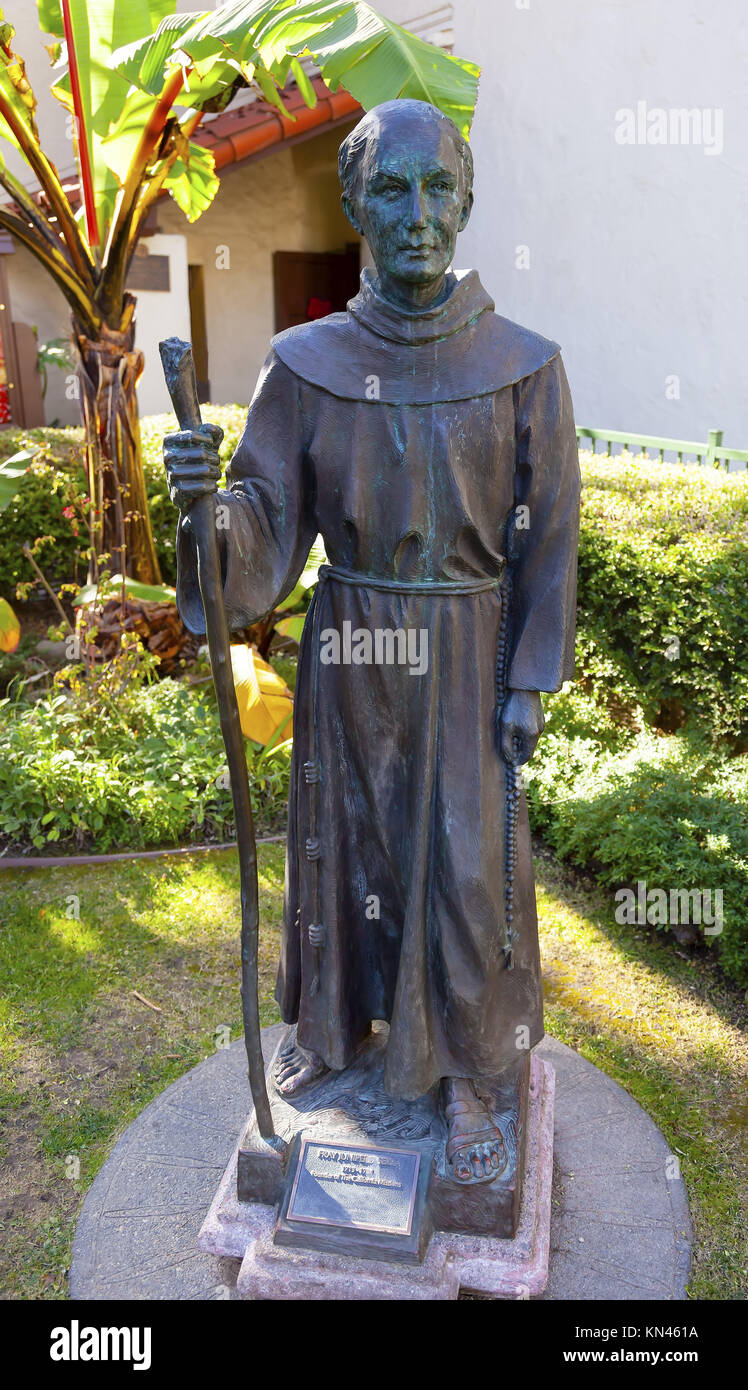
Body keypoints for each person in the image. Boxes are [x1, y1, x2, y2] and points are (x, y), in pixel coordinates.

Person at [164, 99, 580, 1186]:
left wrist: (529, 678)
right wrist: (209, 517)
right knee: (346, 850)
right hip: (350, 648)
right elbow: (260, 523)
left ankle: (473, 1071)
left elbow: (551, 548)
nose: (415, 214)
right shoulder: (306, 364)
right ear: (352, 204)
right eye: (389, 190)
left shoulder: (526, 364)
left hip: (467, 654)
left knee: (462, 870)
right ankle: (339, 1032)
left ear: (466, 202)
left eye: (437, 188)